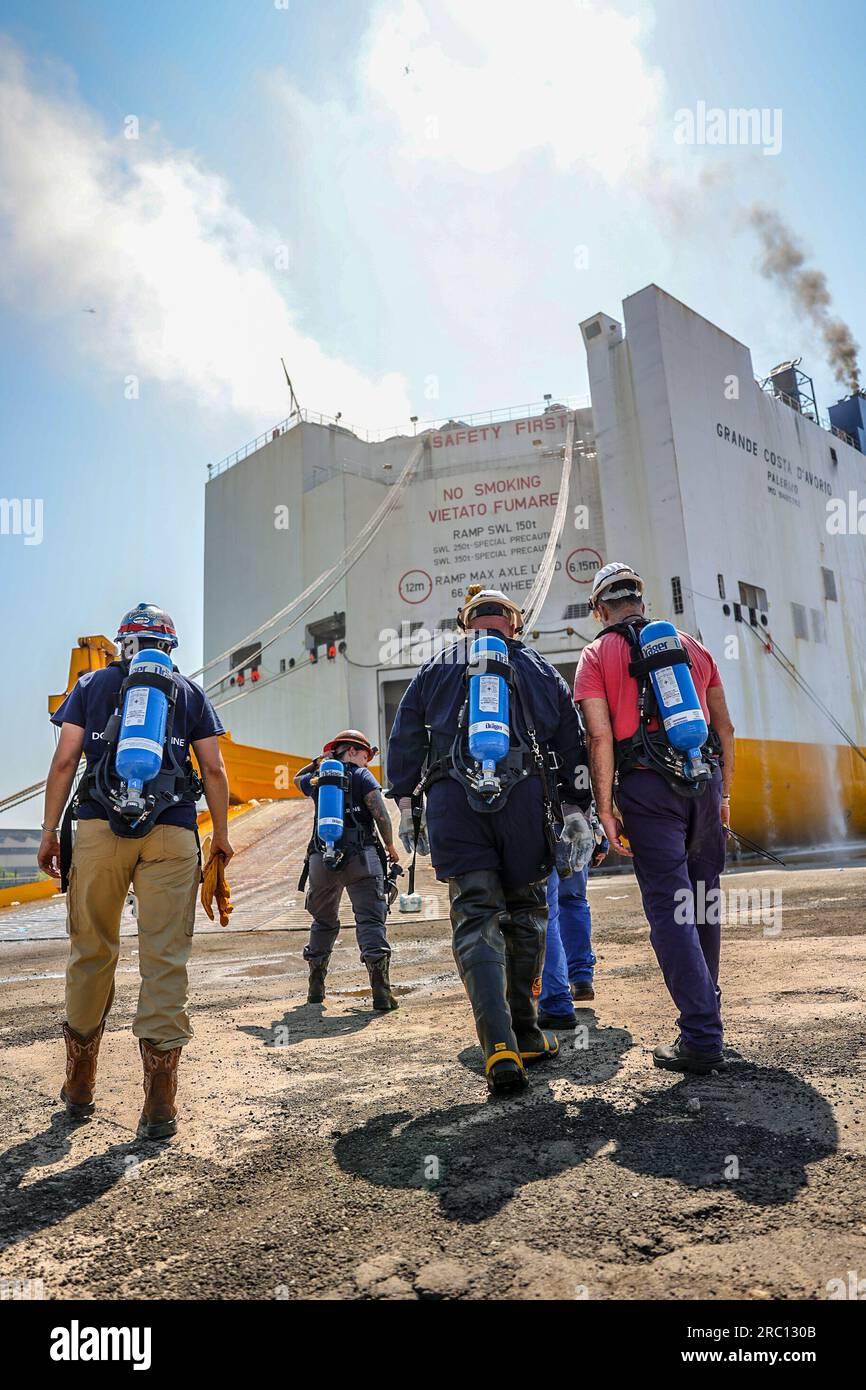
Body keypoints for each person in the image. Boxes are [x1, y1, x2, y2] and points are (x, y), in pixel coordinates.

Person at [387, 585, 594, 1098]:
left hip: (454, 802)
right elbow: (570, 739)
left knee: (475, 913)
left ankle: (496, 1045)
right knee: (526, 911)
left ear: (467, 624)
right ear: (514, 624)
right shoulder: (539, 669)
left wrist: (408, 806)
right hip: (526, 802)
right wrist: (575, 810)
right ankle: (526, 1032)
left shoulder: (436, 668)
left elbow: (405, 734)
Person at [38, 603, 231, 1138]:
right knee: (165, 958)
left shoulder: (93, 684)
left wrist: (51, 830)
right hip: (171, 832)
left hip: (98, 828)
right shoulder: (187, 692)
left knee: (92, 951)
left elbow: (63, 763)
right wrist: (223, 834)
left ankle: (79, 1088)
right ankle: (160, 1106)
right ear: (169, 648)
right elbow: (213, 767)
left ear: (124, 643)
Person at [575, 563, 736, 1074]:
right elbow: (726, 728)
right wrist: (724, 794)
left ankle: (702, 1035)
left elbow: (600, 738)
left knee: (670, 908)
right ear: (641, 600)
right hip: (704, 781)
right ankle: (704, 1020)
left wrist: (605, 807)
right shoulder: (693, 646)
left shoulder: (596, 654)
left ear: (600, 609)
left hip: (646, 788)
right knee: (703, 899)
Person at [296, 730, 400, 1012]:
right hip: (362, 860)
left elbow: (297, 780)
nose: (367, 760)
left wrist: (320, 761)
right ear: (352, 751)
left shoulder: (319, 780)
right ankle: (381, 992)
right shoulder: (361, 776)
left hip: (321, 862)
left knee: (324, 922)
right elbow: (380, 812)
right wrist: (390, 845)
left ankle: (316, 989)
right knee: (370, 922)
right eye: (365, 754)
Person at [537, 824, 606, 1030]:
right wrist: (599, 831)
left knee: (546, 911)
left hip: (543, 823)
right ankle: (581, 976)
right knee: (574, 899)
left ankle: (555, 1000)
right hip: (578, 823)